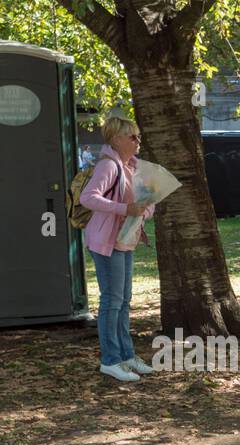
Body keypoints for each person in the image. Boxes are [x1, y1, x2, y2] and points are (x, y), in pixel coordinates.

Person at [80, 116, 155, 383]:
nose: (137, 141)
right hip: (106, 241)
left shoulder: (132, 166)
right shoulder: (108, 165)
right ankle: (110, 360)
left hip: (125, 239)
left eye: (138, 136)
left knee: (123, 301)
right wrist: (125, 209)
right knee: (112, 301)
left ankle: (126, 356)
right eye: (132, 136)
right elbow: (87, 198)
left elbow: (146, 203)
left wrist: (144, 210)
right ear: (116, 140)